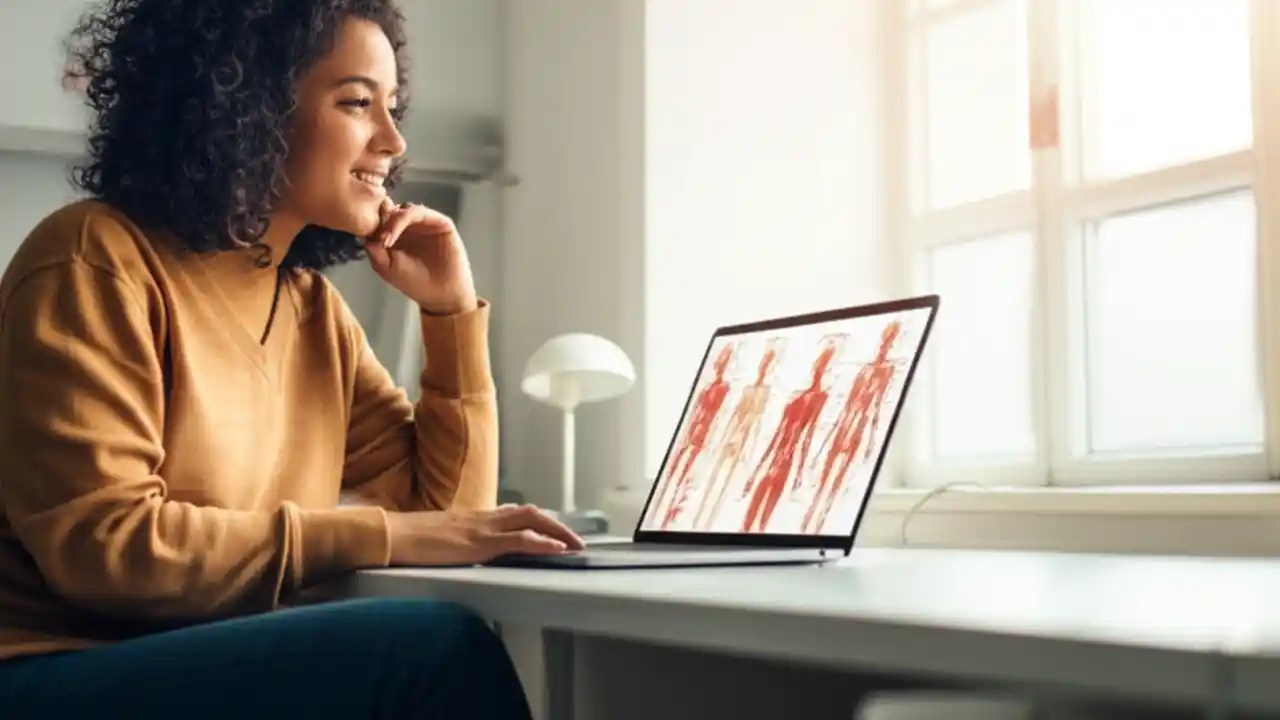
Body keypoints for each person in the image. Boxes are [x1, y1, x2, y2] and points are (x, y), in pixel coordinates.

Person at [0, 1, 583, 717]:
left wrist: (451, 316)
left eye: (392, 107)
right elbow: (110, 550)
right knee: (431, 651)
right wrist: (380, 534)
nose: (394, 141)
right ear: (248, 103)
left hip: (198, 656)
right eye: (357, 103)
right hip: (47, 671)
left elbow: (448, 522)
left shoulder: (310, 309)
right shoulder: (94, 259)